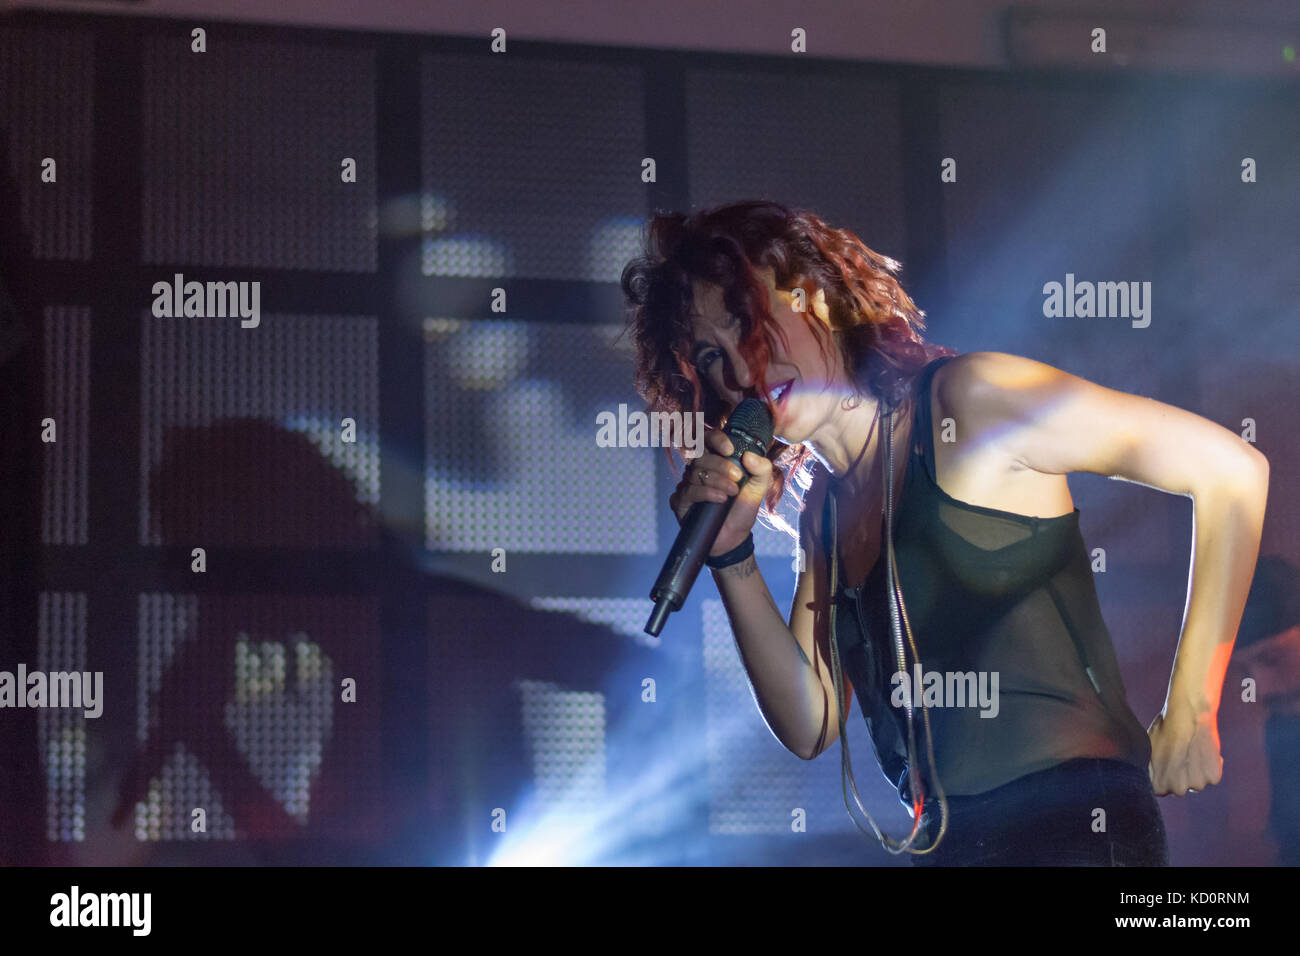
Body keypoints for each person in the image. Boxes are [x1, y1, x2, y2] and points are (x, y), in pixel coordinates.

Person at [620, 200, 1270, 865]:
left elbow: (1231, 472)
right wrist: (731, 556)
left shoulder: (969, 399)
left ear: (811, 292)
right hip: (945, 843)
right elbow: (812, 721)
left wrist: (1193, 704)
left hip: (1075, 825)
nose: (737, 367)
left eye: (741, 319)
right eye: (709, 354)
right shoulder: (826, 512)